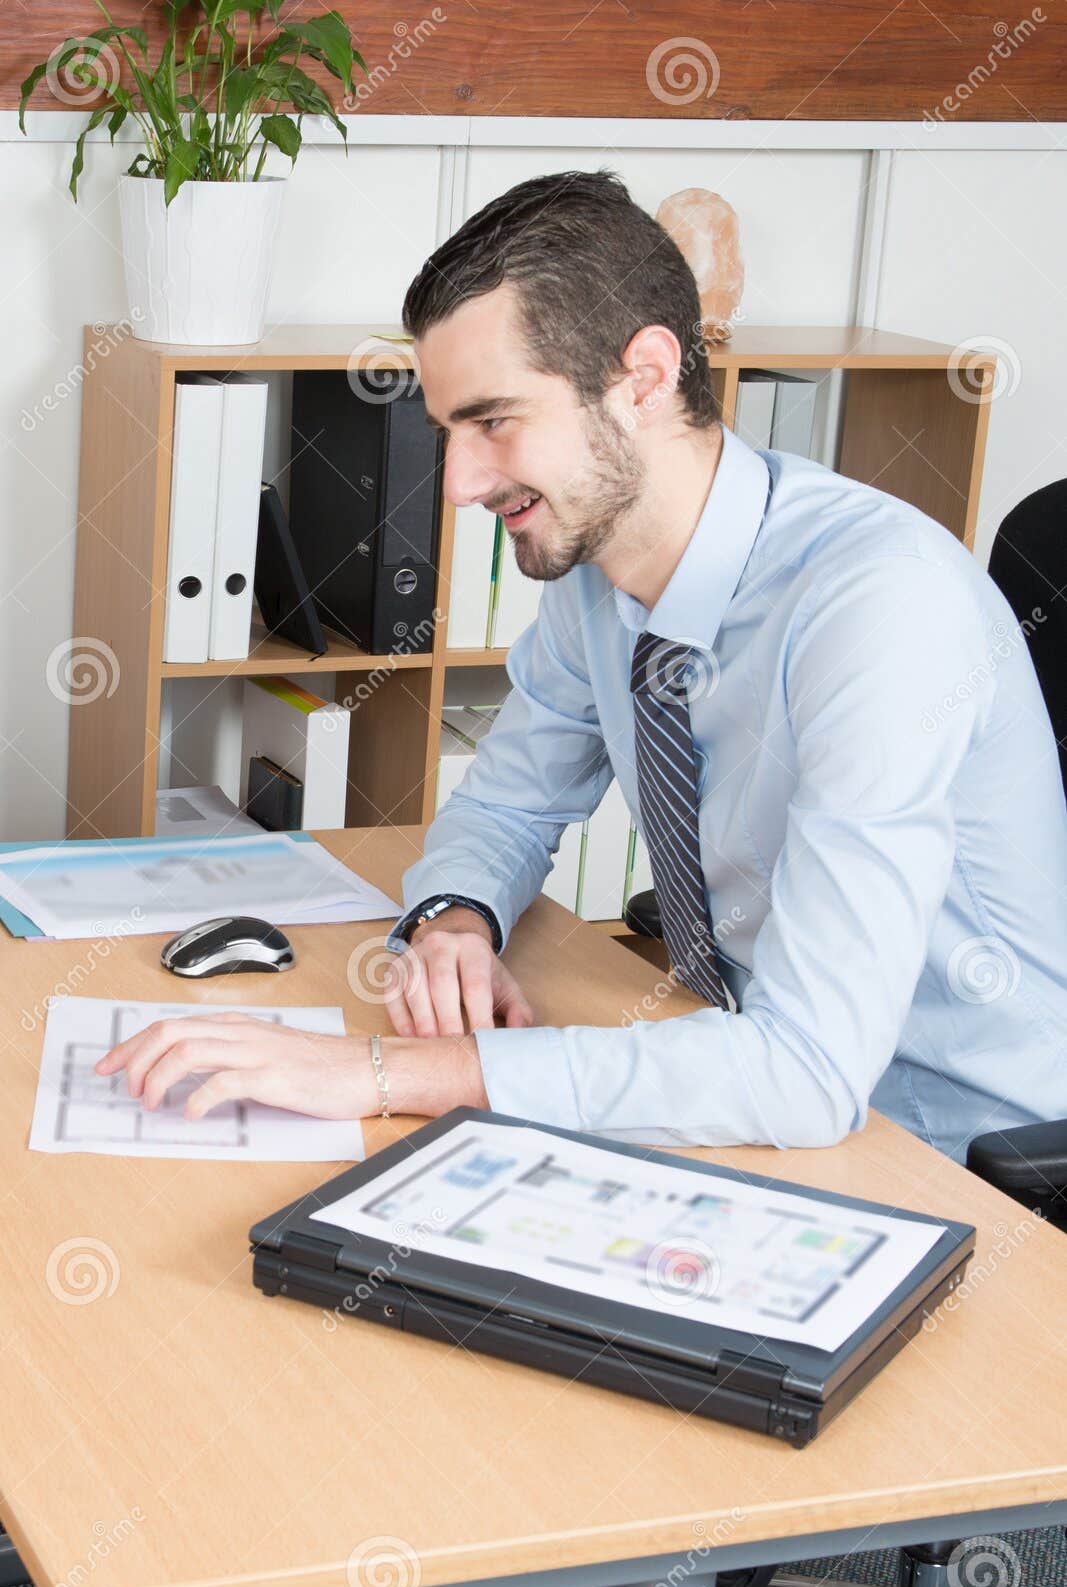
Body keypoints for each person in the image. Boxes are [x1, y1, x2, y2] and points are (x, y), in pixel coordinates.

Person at [99, 170, 1067, 1160]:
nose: (463, 482)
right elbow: (509, 804)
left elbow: (809, 1074)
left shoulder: (879, 609)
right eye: (448, 434)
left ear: (643, 377)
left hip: (956, 1149)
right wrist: (453, 919)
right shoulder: (597, 570)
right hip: (741, 1066)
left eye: (494, 422)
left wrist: (384, 1074)